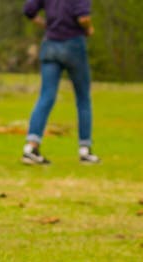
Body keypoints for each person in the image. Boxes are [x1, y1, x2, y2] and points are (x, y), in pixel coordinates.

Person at [21, 0, 100, 165]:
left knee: (46, 97)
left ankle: (31, 148)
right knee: (83, 98)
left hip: (50, 44)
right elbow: (83, 18)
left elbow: (29, 10)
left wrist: (45, 25)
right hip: (73, 44)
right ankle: (85, 150)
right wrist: (89, 29)